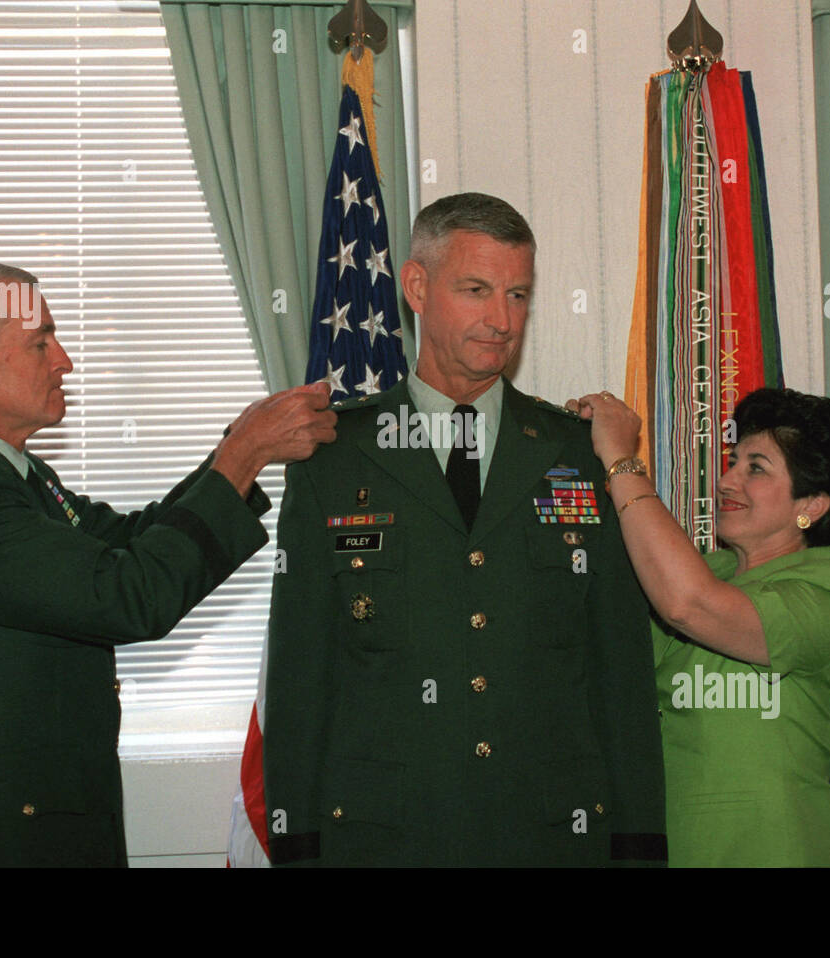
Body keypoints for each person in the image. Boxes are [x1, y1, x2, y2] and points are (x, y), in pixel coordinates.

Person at [0, 261, 335, 866]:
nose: (64, 360)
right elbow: (129, 593)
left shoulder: (3, 471)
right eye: (39, 342)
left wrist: (237, 450)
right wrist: (244, 455)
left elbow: (127, 542)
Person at [261, 193, 667, 866]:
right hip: (386, 833)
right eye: (476, 290)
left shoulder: (577, 451)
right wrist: (297, 842)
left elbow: (619, 670)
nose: (501, 319)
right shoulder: (333, 460)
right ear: (416, 287)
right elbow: (303, 676)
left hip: (548, 831)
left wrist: (639, 841)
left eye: (517, 295)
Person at [569, 385, 830, 866]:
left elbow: (688, 605)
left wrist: (621, 461)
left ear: (813, 505)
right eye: (734, 462)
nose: (727, 481)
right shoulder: (709, 570)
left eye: (755, 468)